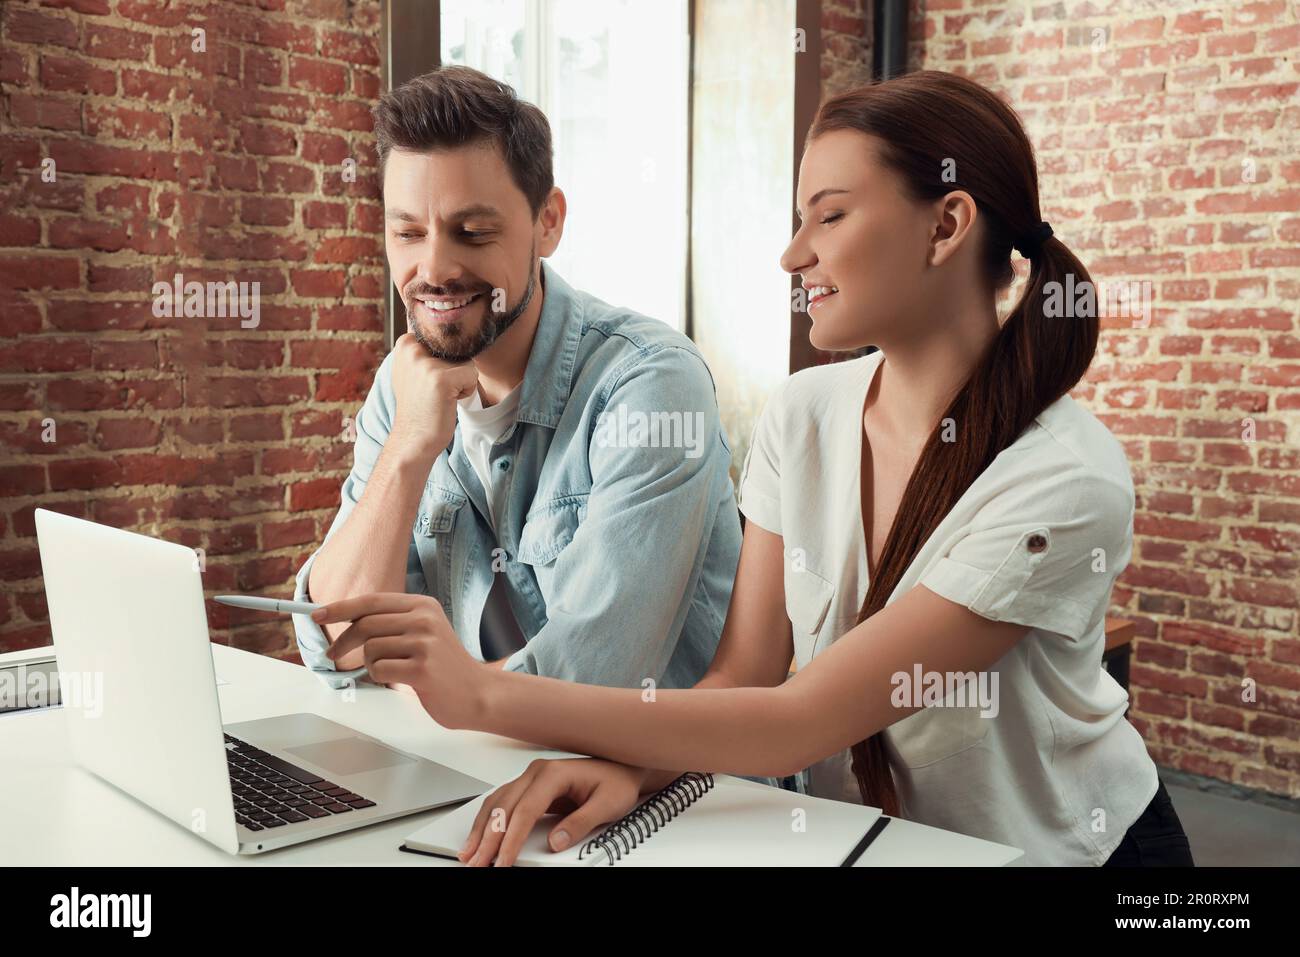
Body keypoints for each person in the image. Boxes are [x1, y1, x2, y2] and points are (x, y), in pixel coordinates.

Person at [310, 70, 1194, 867]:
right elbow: (746, 678)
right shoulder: (803, 413)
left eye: (831, 215)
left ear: (946, 225)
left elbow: (798, 722)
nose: (792, 254)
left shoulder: (1064, 479)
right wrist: (635, 769)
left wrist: (480, 697)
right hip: (867, 845)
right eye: (797, 217)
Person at [293, 66, 742, 695]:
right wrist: (408, 449)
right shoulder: (404, 388)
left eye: (472, 232)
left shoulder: (649, 385)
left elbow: (593, 677)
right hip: (477, 764)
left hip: (680, 789)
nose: (435, 268)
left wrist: (443, 690)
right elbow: (340, 643)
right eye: (408, 233)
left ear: (548, 222)